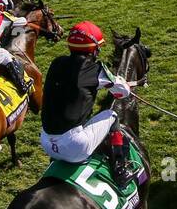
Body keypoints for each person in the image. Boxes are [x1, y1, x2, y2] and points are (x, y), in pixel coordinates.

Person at [39, 21, 134, 183]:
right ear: (94, 48)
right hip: (74, 147)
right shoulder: (96, 69)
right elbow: (123, 92)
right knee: (112, 115)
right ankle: (120, 169)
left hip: (46, 143)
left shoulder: (56, 63)